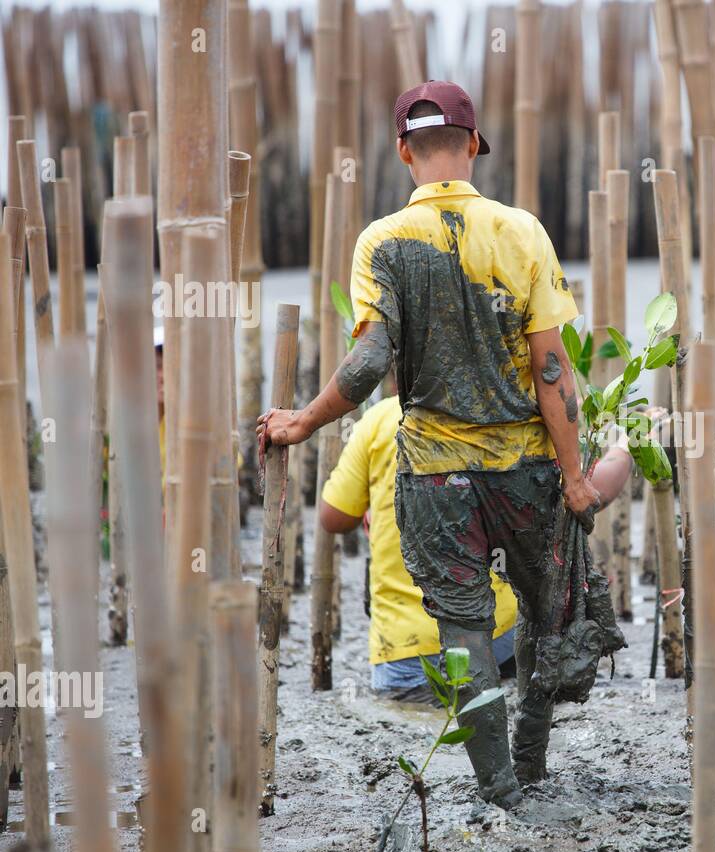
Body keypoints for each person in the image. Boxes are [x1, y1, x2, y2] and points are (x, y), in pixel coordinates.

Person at [259, 80, 600, 809]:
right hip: (528, 470)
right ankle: (532, 760)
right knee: (542, 619)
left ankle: (499, 788)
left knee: (465, 635)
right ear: (474, 144)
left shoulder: (381, 242)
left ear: (402, 150)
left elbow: (367, 365)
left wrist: (300, 422)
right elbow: (551, 368)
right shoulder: (523, 231)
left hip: (437, 477)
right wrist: (574, 475)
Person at [318, 394, 636, 702]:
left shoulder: (377, 421)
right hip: (499, 639)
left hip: (406, 657)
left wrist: (376, 504)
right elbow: (586, 494)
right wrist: (625, 444)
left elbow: (333, 518)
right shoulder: (508, 414)